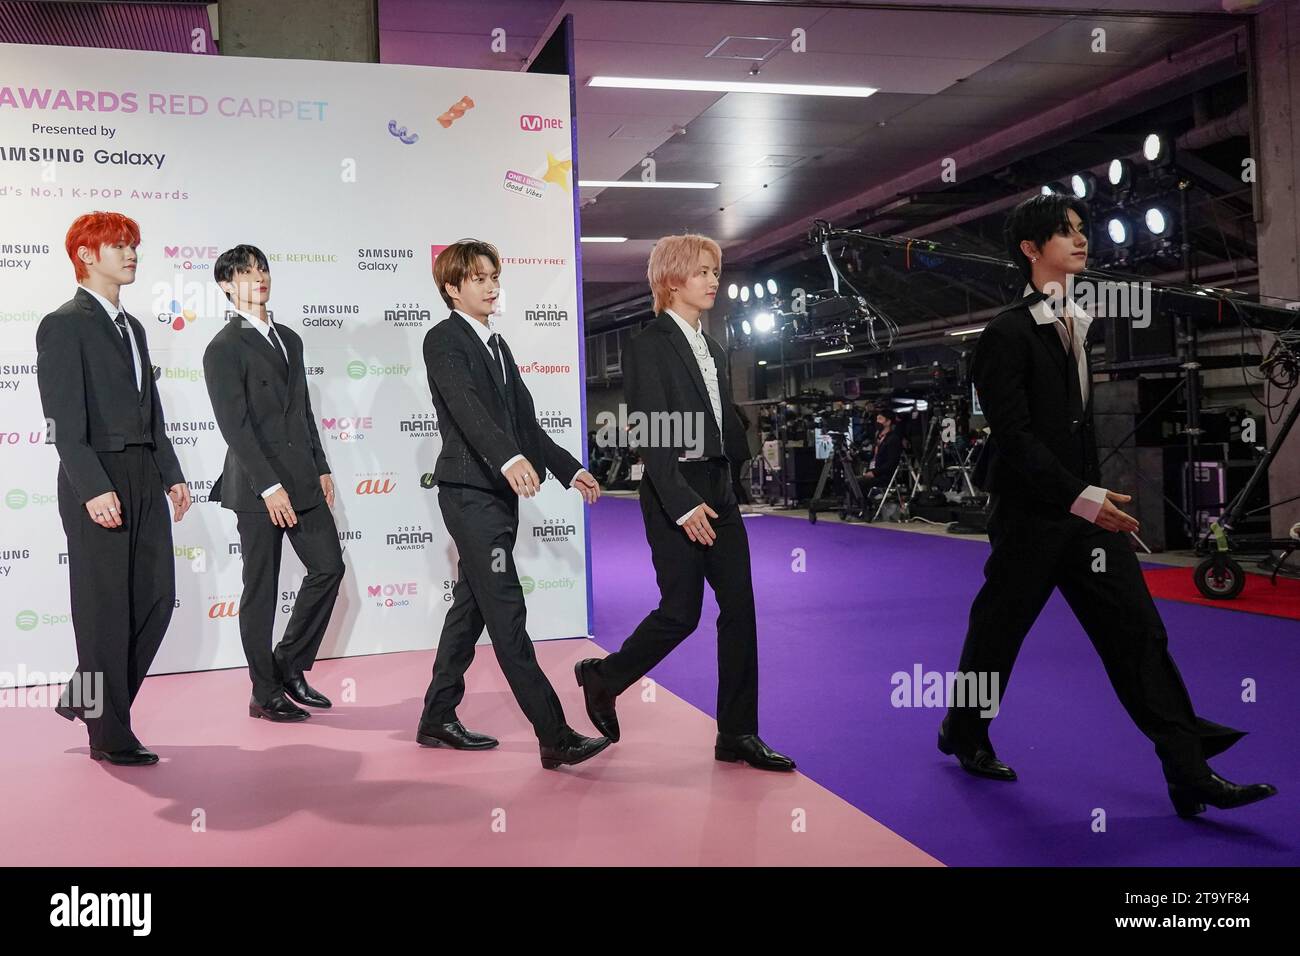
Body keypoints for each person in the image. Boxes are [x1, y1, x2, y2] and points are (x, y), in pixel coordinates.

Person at [940, 193, 1276, 817]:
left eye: (1080, 229)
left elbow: (1074, 429)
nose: (1080, 239)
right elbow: (1014, 439)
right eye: (1063, 232)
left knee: (1139, 635)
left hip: (1087, 516)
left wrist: (1091, 497)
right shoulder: (1006, 334)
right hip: (1030, 518)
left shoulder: (1081, 320)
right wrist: (1080, 496)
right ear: (1031, 250)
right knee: (997, 636)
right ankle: (965, 732)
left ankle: (1187, 771)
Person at [574, 234, 795, 771]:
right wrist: (681, 502)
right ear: (672, 280)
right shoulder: (650, 342)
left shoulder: (715, 348)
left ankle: (738, 734)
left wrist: (732, 476)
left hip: (719, 490)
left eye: (714, 270)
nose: (713, 279)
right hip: (676, 493)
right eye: (701, 271)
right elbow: (651, 430)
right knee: (681, 613)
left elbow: (723, 424)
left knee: (740, 611)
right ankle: (604, 678)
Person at [419, 239, 609, 770]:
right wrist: (507, 459)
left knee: (472, 609)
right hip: (469, 493)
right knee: (506, 611)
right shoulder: (443, 339)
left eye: (493, 276)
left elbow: (526, 424)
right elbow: (468, 409)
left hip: (499, 496)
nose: (491, 285)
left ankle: (437, 715)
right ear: (452, 288)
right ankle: (555, 735)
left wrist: (570, 468)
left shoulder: (497, 346)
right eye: (478, 278)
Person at [37, 211, 192, 766]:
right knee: (105, 611)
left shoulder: (135, 327)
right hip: (97, 476)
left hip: (145, 472)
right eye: (119, 246)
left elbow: (151, 412)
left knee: (155, 598)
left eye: (133, 245)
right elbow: (61, 421)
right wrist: (91, 487)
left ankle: (88, 695)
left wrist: (171, 472)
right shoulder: (65, 323)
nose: (131, 254)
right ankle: (109, 732)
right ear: (85, 255)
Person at [204, 245, 343, 722]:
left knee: (328, 568)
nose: (257, 278)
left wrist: (321, 465)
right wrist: (268, 487)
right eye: (244, 272)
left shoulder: (290, 338)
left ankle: (287, 666)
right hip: (256, 490)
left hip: (303, 479)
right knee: (260, 591)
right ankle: (263, 692)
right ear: (226, 286)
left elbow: (302, 411)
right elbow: (235, 427)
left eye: (262, 269)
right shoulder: (223, 348)